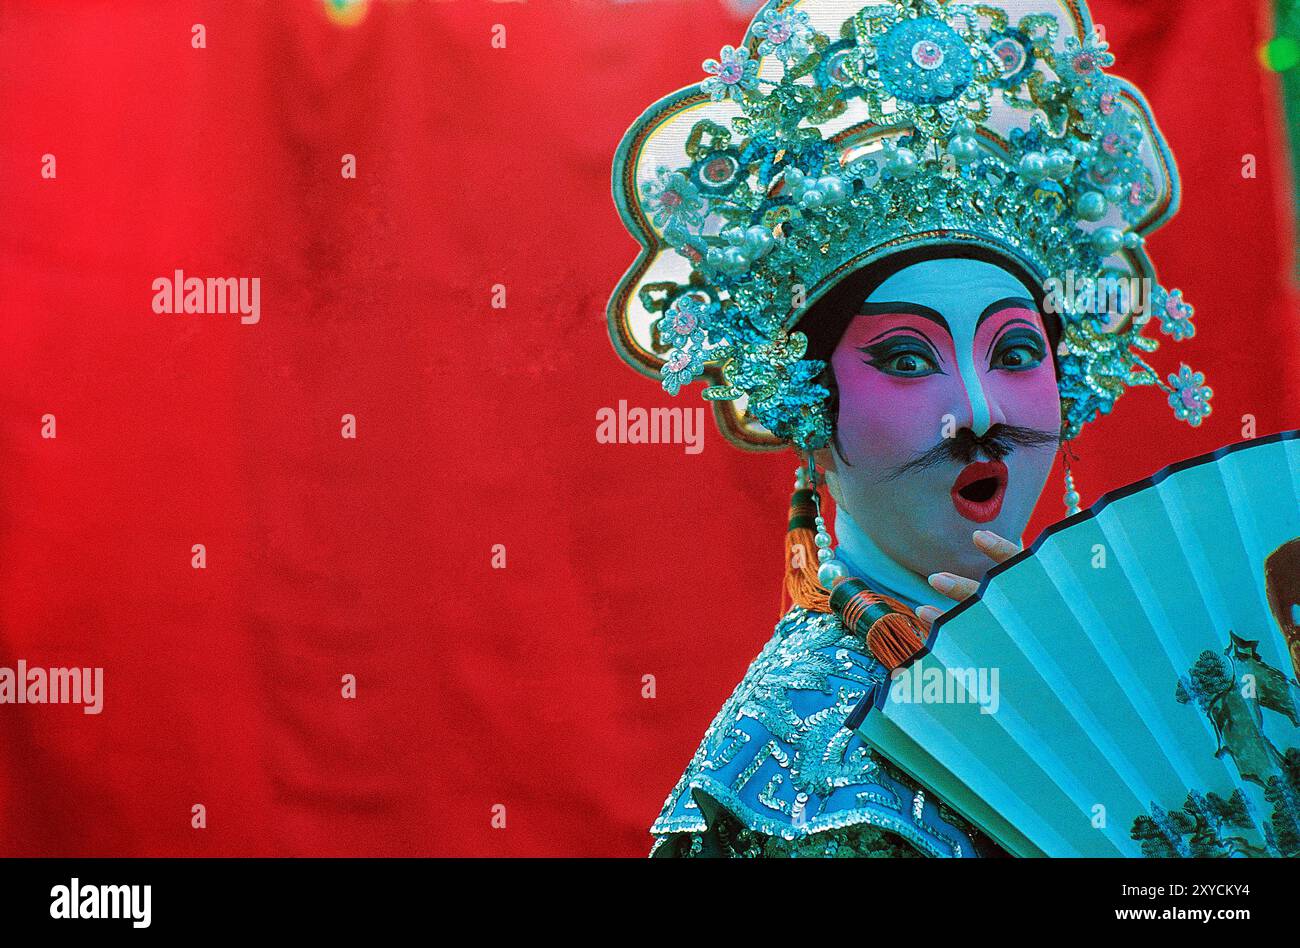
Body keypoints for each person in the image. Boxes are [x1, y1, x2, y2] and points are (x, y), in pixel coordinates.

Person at [606, 0, 1210, 857]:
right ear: (809, 408)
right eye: (905, 359)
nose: (980, 412)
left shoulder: (1118, 681)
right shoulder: (802, 761)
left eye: (1014, 350)